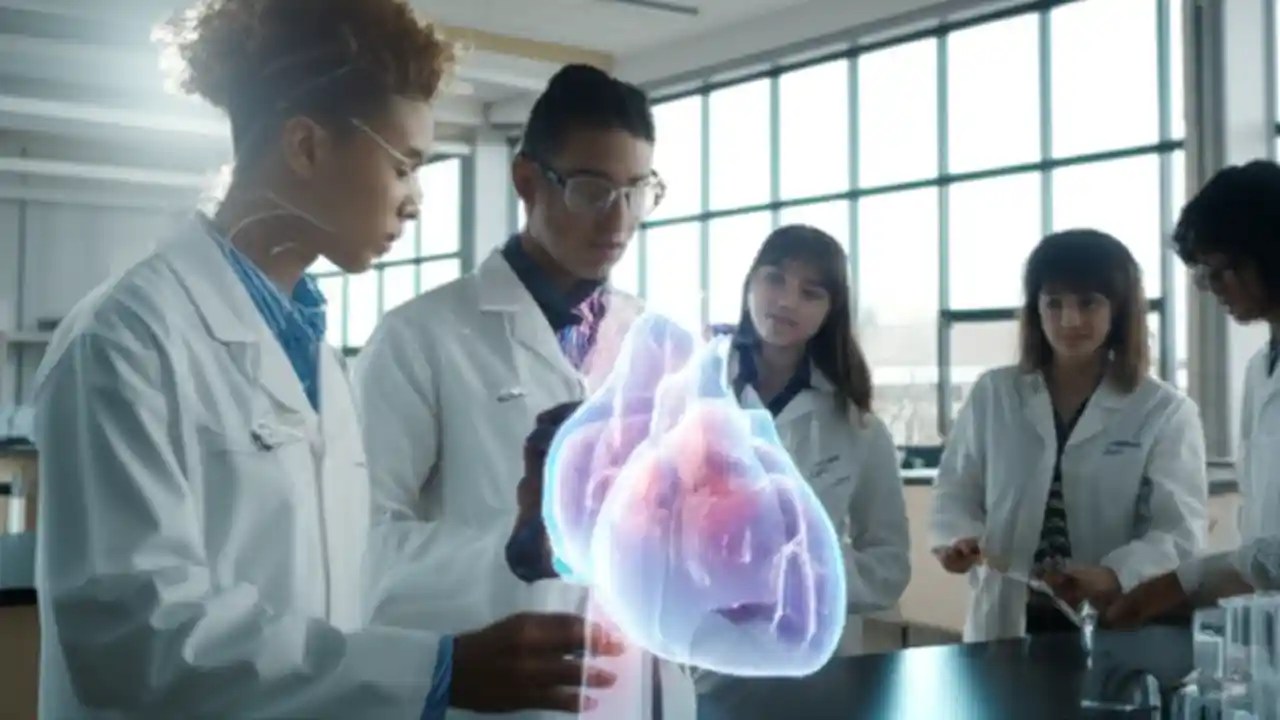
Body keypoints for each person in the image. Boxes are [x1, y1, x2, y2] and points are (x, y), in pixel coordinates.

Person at [30, 2, 622, 717]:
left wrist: (518, 545)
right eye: (403, 165)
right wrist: (437, 673)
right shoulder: (128, 340)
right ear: (306, 146)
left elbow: (354, 577)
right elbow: (135, 640)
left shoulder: (317, 358)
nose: (415, 203)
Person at [352, 65, 696, 718]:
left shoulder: (663, 346)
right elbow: (361, 550)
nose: (619, 219)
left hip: (646, 692)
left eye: (637, 190)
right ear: (527, 180)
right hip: (511, 699)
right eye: (594, 189)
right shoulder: (419, 337)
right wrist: (512, 547)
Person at [929, 229, 1208, 642]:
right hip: (1004, 618)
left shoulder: (1163, 410)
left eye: (1088, 303)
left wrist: (1114, 573)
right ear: (1035, 309)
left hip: (1114, 617)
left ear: (1120, 310)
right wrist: (958, 539)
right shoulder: (995, 393)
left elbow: (1179, 532)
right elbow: (956, 488)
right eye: (1053, 303)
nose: (1069, 320)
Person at [1108, 161, 1280, 626]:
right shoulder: (1260, 371)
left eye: (1220, 271)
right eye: (1202, 275)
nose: (1212, 289)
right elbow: (1262, 536)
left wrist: (1180, 584)